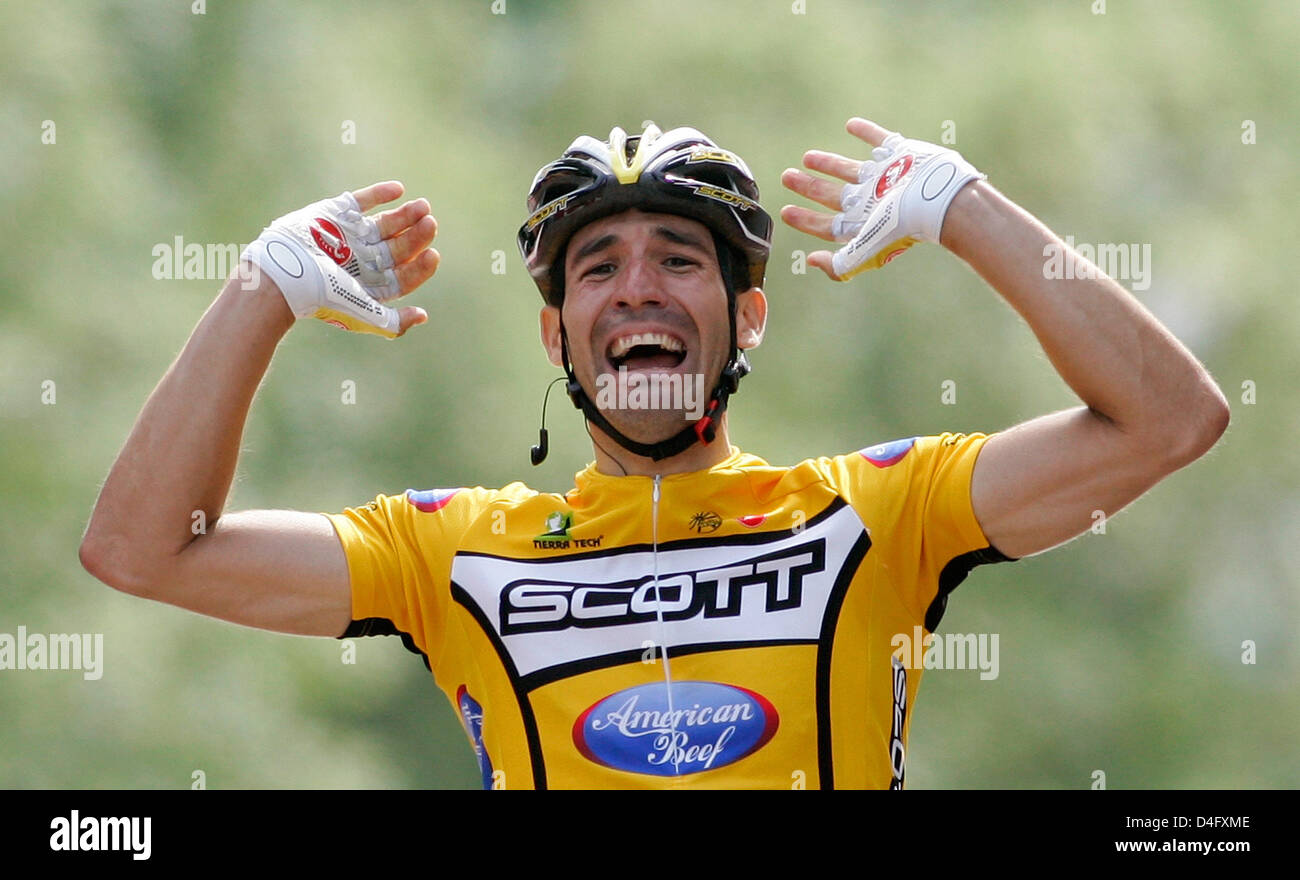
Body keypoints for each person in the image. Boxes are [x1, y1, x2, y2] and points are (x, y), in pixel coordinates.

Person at [80, 118, 1230, 789]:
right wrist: (260, 289)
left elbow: (1170, 419)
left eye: (681, 258)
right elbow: (140, 549)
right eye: (598, 268)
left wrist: (965, 207)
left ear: (751, 316)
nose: (638, 286)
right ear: (555, 335)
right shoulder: (450, 551)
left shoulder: (877, 508)